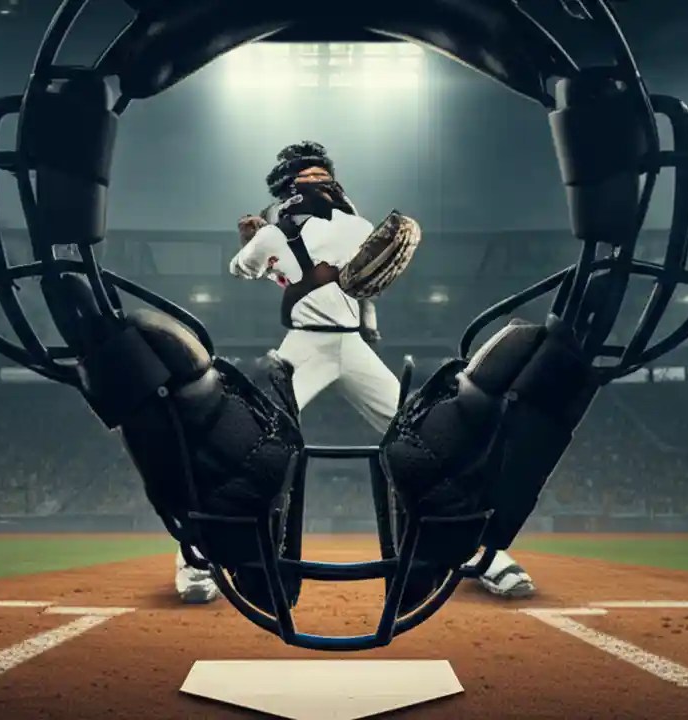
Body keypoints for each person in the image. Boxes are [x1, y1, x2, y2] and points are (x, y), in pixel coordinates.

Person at [173, 141, 534, 603]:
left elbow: (243, 270)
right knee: (247, 443)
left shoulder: (285, 233)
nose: (322, 182)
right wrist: (268, 252)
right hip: (305, 346)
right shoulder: (355, 225)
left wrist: (255, 245)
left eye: (322, 175)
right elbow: (332, 278)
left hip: (348, 347)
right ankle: (196, 554)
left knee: (424, 439)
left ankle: (483, 552)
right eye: (313, 176)